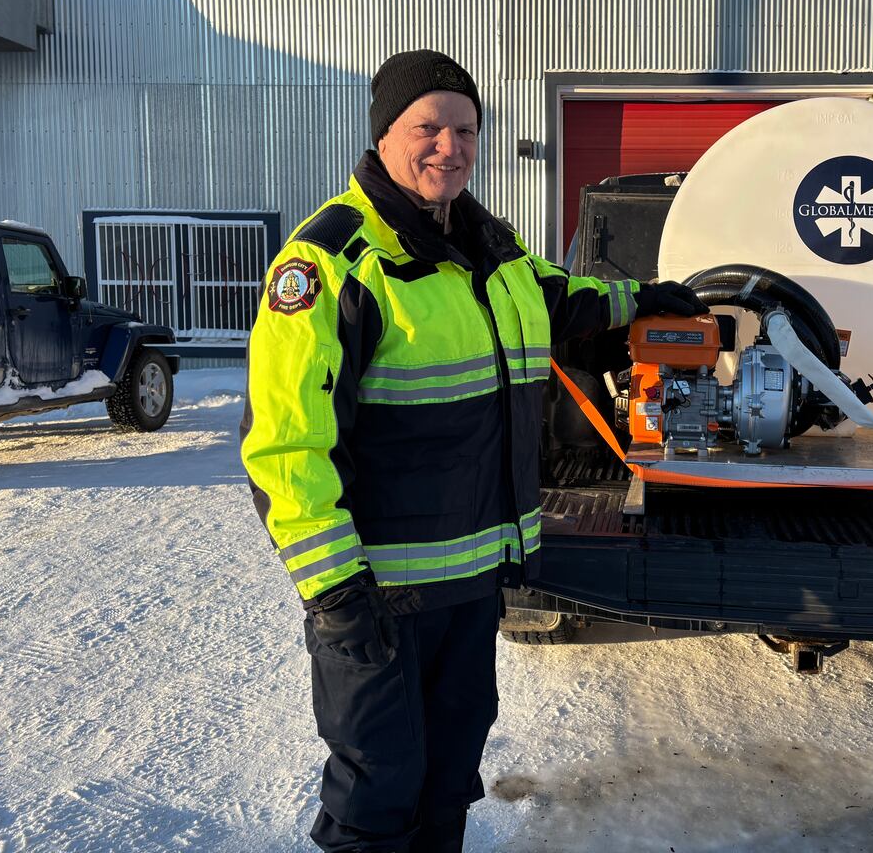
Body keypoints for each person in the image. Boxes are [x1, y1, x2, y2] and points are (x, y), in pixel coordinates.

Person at [240, 49, 706, 853]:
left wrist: (643, 299)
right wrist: (336, 592)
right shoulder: (332, 264)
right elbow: (285, 445)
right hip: (378, 595)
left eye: (465, 129)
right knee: (377, 793)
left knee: (449, 774)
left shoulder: (488, 243)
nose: (448, 147)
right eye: (427, 127)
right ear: (385, 135)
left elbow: (559, 300)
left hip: (470, 582)